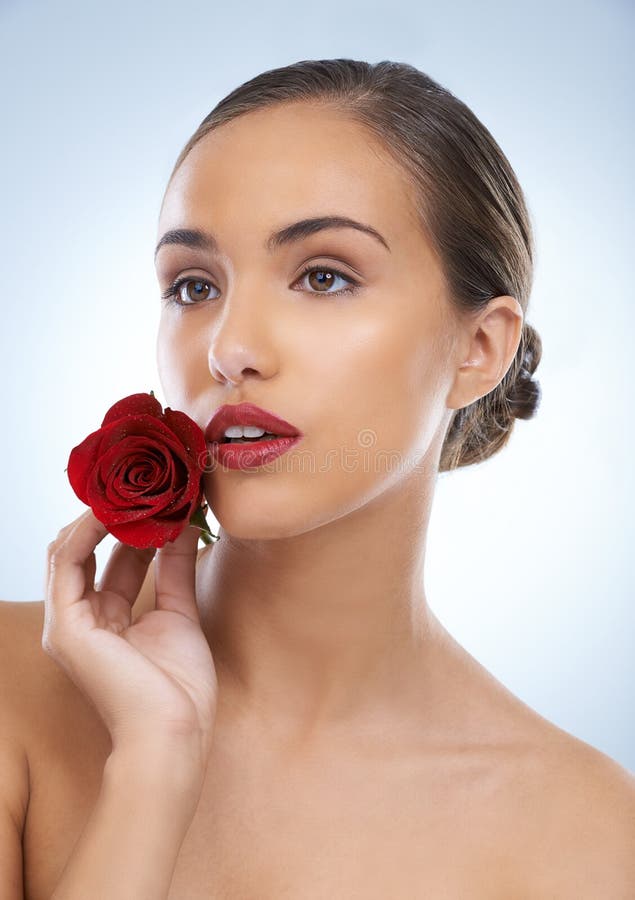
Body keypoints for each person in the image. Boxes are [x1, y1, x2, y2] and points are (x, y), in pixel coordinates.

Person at [1, 58, 633, 898]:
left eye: (322, 276)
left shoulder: (593, 834)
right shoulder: (12, 692)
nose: (230, 347)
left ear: (478, 348)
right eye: (194, 285)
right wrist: (152, 764)